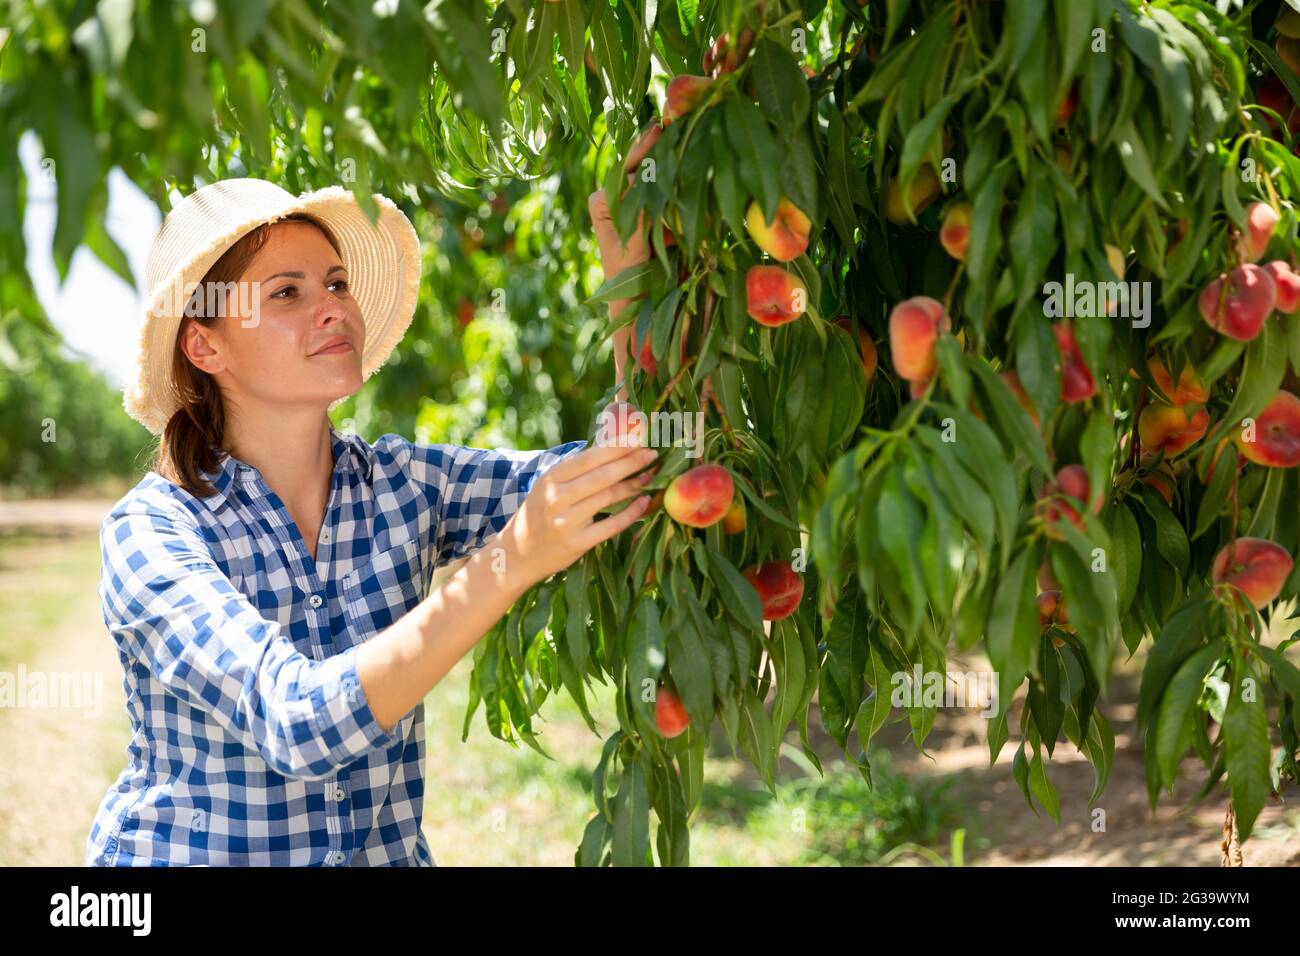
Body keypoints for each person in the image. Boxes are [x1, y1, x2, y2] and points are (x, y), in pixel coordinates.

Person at [86, 173, 651, 866]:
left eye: (337, 283)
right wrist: (512, 562)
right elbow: (295, 720)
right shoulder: (155, 531)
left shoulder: (403, 484)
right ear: (205, 348)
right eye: (287, 292)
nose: (332, 309)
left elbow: (622, 471)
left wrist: (626, 262)